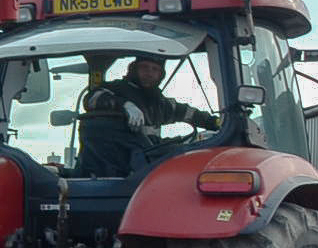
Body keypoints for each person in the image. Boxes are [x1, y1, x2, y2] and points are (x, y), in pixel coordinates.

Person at [74, 56, 220, 176]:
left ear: (160, 75)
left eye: (155, 69)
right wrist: (125, 105)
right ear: (134, 69)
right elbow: (91, 99)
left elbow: (191, 114)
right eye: (144, 67)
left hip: (145, 167)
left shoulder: (159, 103)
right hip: (116, 170)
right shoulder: (117, 88)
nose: (149, 73)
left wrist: (217, 123)